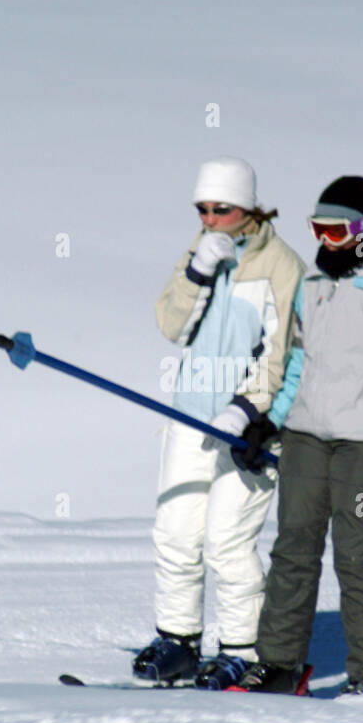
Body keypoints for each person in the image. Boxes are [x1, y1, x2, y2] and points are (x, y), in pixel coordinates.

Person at [230, 175, 363, 695]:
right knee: (293, 550)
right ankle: (280, 666)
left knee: (355, 554)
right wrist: (271, 421)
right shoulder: (313, 286)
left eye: (334, 231)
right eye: (316, 229)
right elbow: (301, 365)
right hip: (306, 439)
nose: (323, 241)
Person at [136, 156, 305, 688]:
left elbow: (282, 354)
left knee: (228, 540)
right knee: (176, 532)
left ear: (249, 207)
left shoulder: (281, 264)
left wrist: (246, 410)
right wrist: (197, 272)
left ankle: (241, 650)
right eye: (203, 208)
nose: (210, 219)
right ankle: (178, 642)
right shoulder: (201, 249)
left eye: (221, 208)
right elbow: (171, 326)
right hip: (186, 414)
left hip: (246, 430)